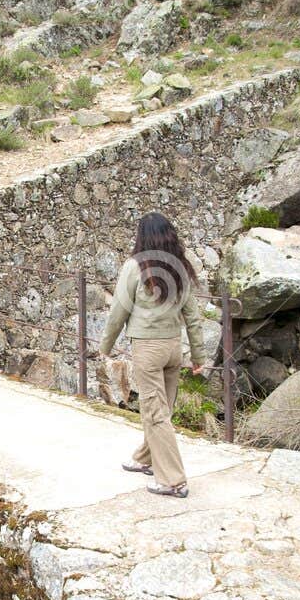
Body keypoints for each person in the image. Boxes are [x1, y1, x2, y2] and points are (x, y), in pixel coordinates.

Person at [100, 211, 208, 499]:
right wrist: (198, 356)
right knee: (162, 410)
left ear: (142, 237)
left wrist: (104, 348)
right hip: (174, 347)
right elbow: (193, 317)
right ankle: (145, 458)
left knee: (156, 412)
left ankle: (173, 481)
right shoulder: (180, 268)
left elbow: (117, 312)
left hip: (148, 349)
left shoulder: (135, 266)